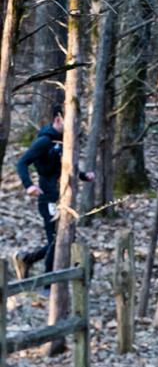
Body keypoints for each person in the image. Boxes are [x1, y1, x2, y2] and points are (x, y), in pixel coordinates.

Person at [13, 105, 94, 280]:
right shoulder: (44, 141)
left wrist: (83, 176)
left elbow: (63, 166)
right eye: (70, 121)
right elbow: (22, 163)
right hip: (47, 199)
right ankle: (49, 286)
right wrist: (29, 186)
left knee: (63, 240)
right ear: (58, 120)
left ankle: (27, 260)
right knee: (57, 242)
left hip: (62, 199)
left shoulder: (65, 141)